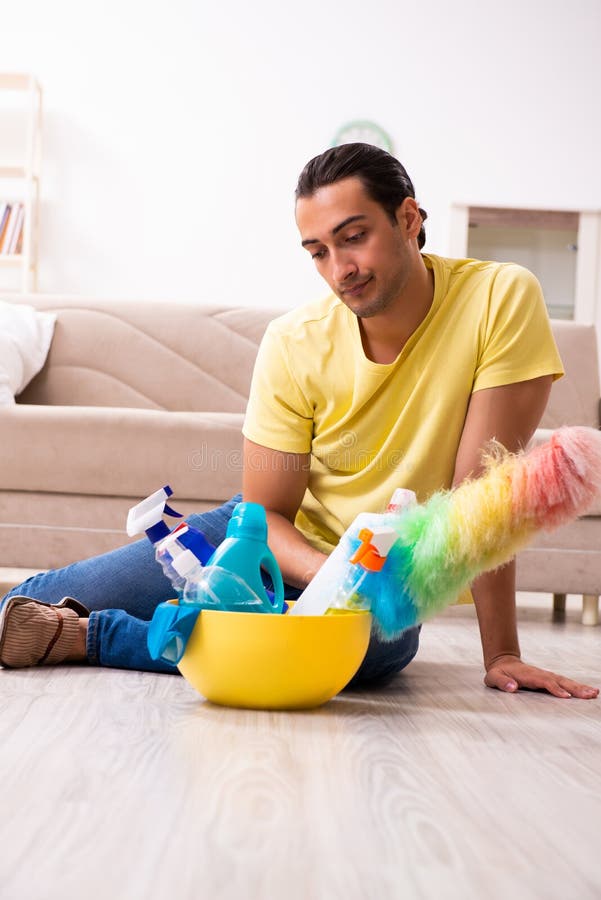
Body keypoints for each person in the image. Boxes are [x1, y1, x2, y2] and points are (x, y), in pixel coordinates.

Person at [0, 143, 598, 700]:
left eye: (354, 237)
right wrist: (330, 575)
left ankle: (92, 636)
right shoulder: (293, 341)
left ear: (409, 218)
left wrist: (502, 653)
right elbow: (265, 517)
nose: (340, 269)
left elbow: (482, 502)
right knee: (25, 604)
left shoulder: (498, 299)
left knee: (367, 651)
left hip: (381, 589)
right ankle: (121, 624)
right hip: (275, 548)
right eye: (318, 252)